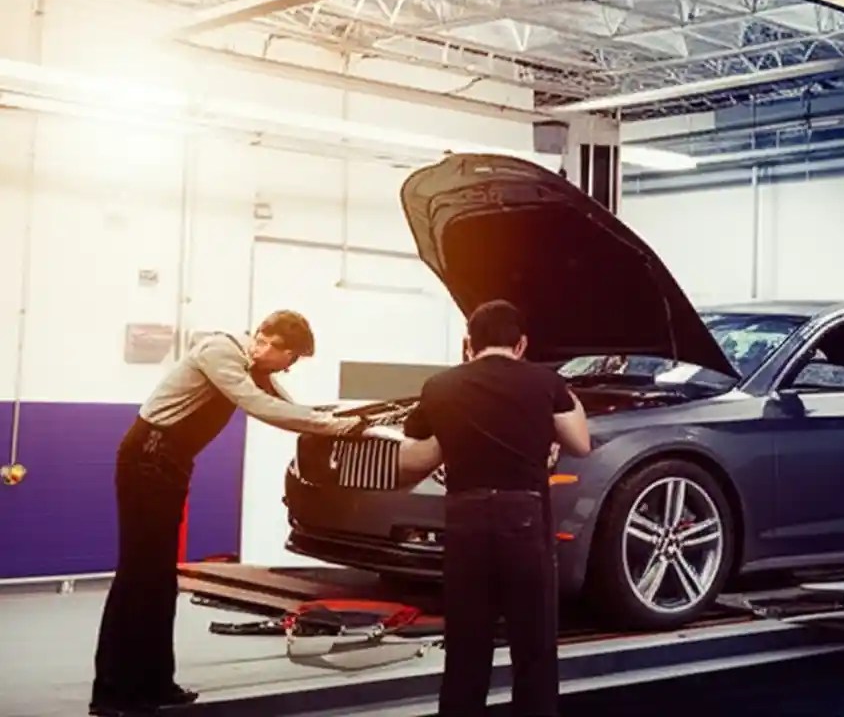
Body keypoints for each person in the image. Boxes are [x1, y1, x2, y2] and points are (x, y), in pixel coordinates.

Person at [90, 310, 367, 716]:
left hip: (167, 465)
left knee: (160, 578)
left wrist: (338, 421)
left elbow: (286, 406)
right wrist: (330, 427)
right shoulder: (221, 352)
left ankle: (153, 683)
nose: (287, 369)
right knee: (139, 575)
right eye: (289, 360)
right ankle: (112, 694)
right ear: (270, 343)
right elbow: (259, 405)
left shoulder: (252, 363)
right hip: (146, 462)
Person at [396, 299, 590, 717]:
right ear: (521, 344)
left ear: (468, 344)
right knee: (533, 644)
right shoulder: (545, 381)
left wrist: (456, 440)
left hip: (466, 518)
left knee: (467, 643)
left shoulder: (439, 386)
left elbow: (410, 462)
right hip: (524, 518)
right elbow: (581, 442)